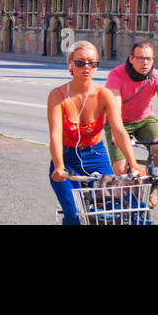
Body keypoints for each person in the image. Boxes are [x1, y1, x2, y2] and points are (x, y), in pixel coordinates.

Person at [47, 40, 144, 225]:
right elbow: (55, 135)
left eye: (92, 63)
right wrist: (59, 166)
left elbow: (119, 131)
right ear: (70, 63)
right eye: (80, 62)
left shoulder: (104, 94)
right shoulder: (57, 95)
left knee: (119, 206)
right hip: (67, 158)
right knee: (73, 212)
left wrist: (134, 164)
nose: (86, 67)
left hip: (96, 156)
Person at [104, 41, 158, 175]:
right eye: (140, 58)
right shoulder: (116, 74)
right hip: (119, 121)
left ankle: (147, 183)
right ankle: (130, 175)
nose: (145, 62)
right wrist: (117, 132)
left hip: (144, 119)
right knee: (120, 169)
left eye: (148, 59)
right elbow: (115, 106)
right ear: (131, 59)